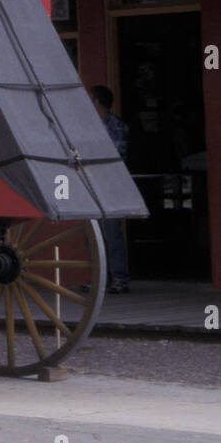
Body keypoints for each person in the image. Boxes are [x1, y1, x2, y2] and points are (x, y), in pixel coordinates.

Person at [91, 85, 131, 293]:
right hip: (95, 184)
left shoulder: (114, 126)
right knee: (96, 235)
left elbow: (116, 155)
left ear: (97, 102)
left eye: (91, 99)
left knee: (112, 233)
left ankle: (120, 278)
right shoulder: (92, 125)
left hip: (111, 185)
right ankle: (101, 279)